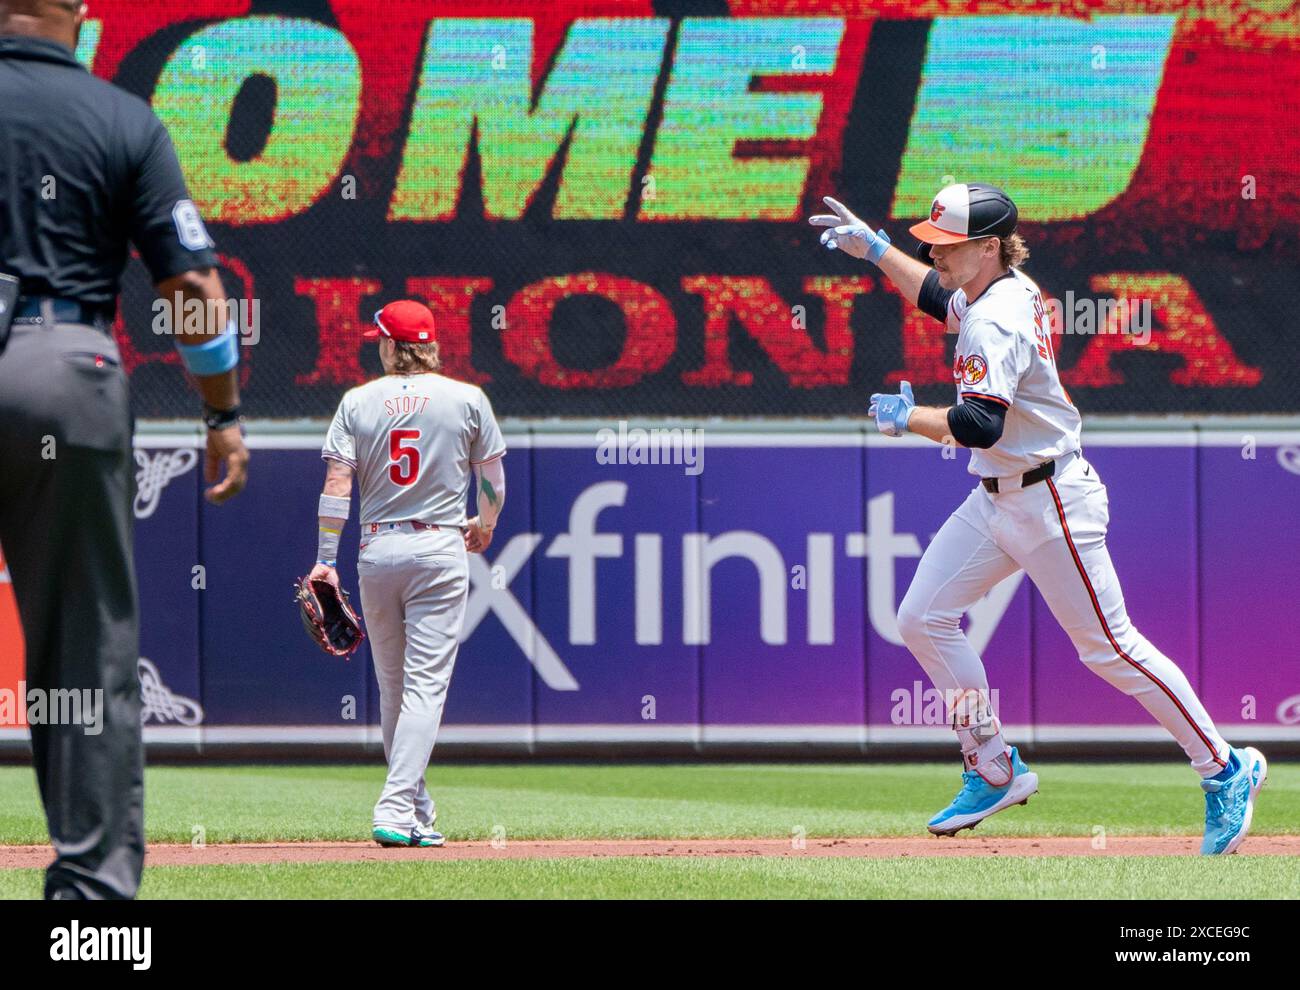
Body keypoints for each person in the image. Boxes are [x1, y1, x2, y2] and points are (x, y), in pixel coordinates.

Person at [810, 183, 1266, 854]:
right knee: (923, 618)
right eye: (929, 244)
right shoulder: (1008, 286)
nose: (932, 254)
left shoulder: (997, 317)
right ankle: (992, 764)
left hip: (1049, 500)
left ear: (988, 247)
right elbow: (942, 301)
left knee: (1110, 649)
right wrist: (879, 250)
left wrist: (907, 418)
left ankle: (1225, 770)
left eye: (947, 246)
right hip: (998, 496)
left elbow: (976, 422)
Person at [0, 0, 249, 898]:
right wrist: (220, 410)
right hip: (62, 368)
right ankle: (93, 917)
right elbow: (187, 285)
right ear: (81, 13)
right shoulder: (121, 119)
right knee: (83, 661)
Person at [311, 299, 505, 847]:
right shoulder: (467, 398)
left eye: (380, 338)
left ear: (393, 346)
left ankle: (417, 809)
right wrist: (486, 524)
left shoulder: (357, 401)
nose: (378, 345)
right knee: (423, 687)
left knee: (393, 687)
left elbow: (336, 488)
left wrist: (326, 558)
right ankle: (396, 808)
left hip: (376, 548)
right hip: (439, 544)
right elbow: (493, 479)